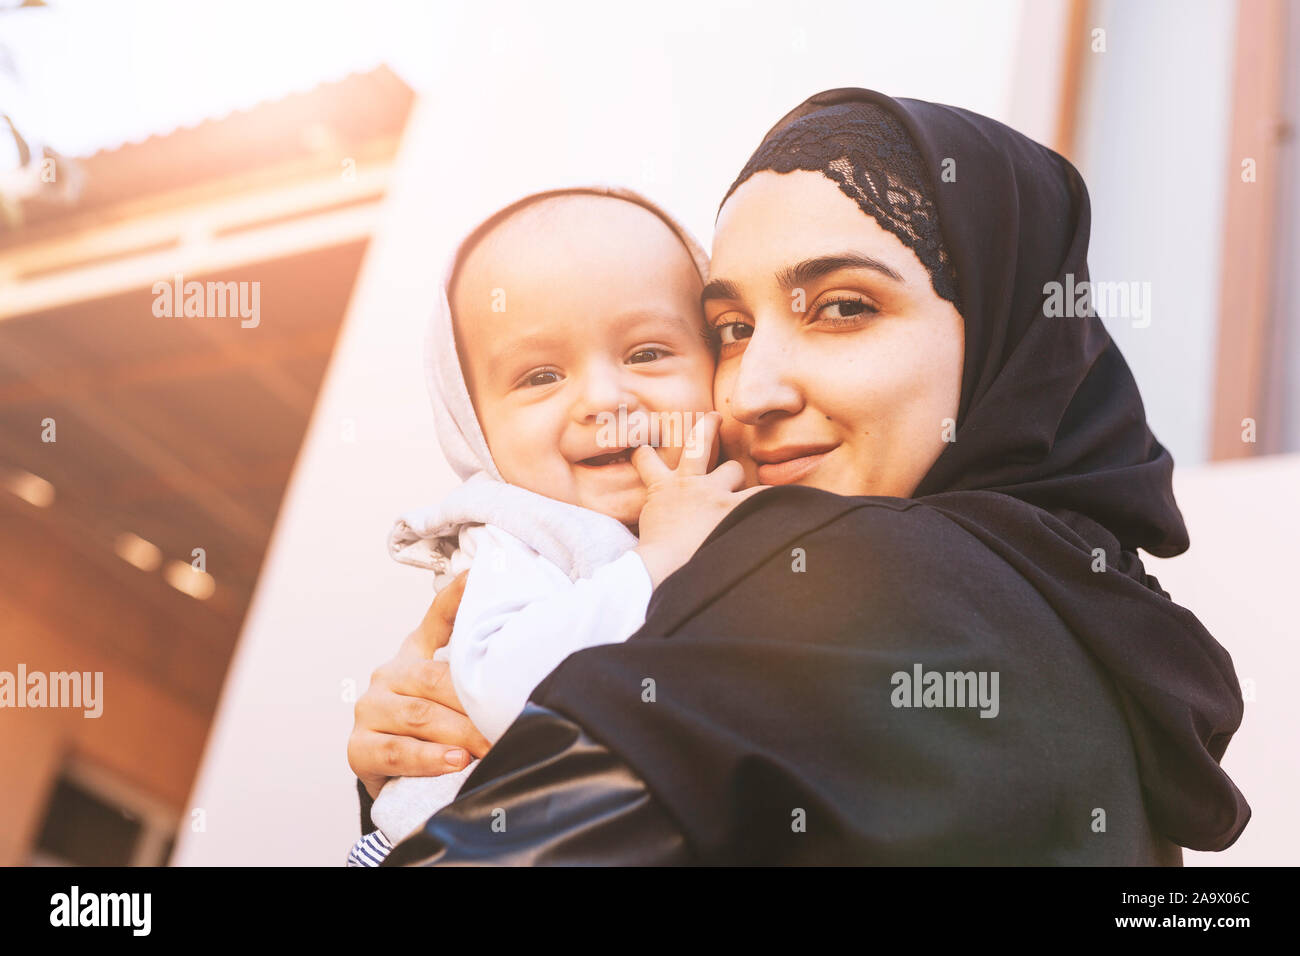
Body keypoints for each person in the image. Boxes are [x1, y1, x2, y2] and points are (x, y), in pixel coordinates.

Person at [348, 88, 1251, 865]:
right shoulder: (1093, 624)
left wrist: (452, 779)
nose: (753, 389)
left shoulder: (854, 579)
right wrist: (431, 756)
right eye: (732, 328)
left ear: (1005, 335)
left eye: (843, 308)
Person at [346, 186, 759, 866]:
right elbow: (508, 692)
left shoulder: (741, 507)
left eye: (649, 353)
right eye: (541, 375)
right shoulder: (511, 540)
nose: (604, 397)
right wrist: (658, 565)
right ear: (475, 427)